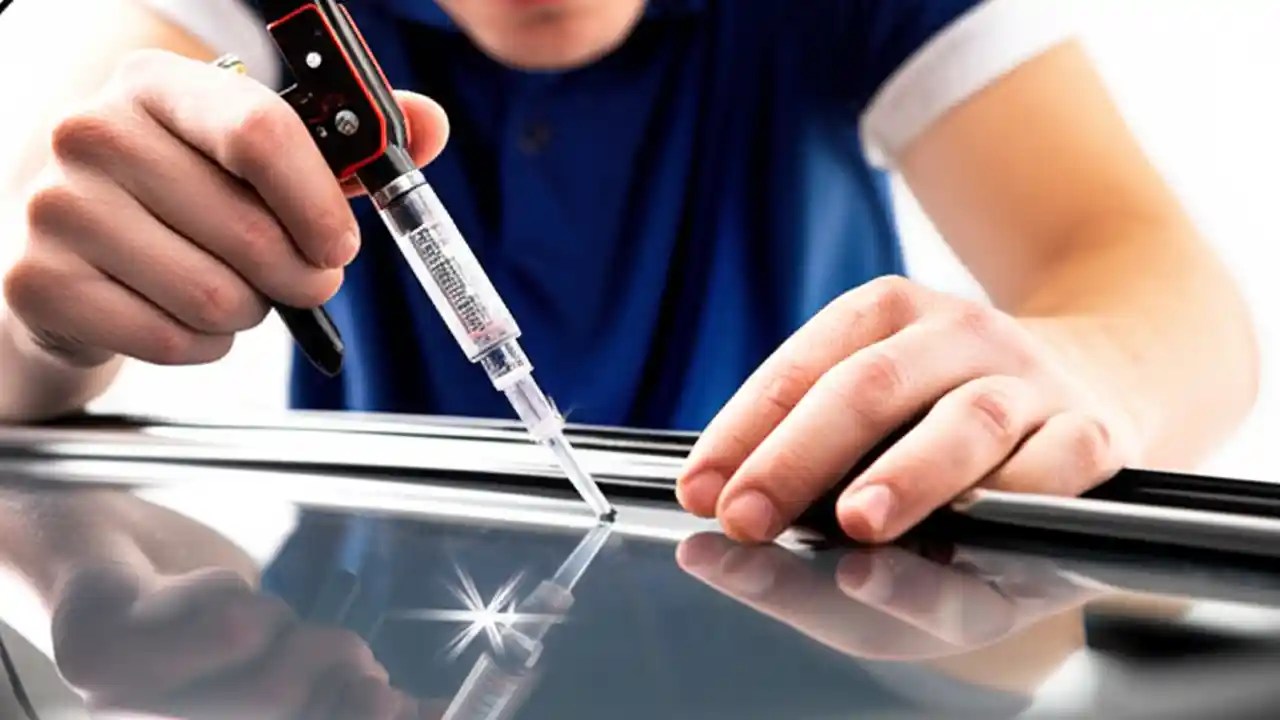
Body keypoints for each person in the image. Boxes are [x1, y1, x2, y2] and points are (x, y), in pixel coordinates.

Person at [0, 0, 1259, 545]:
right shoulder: (272, 17)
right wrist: (47, 322)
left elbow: (1168, 296)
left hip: (805, 643)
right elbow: (32, 263)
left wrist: (1078, 374)